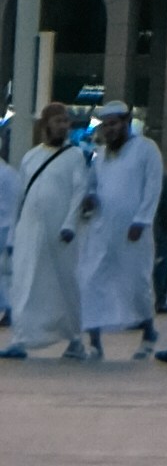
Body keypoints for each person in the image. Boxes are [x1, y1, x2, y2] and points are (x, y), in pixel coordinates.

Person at [78, 97, 167, 359]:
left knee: (136, 284)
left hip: (133, 232)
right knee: (91, 281)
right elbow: (92, 184)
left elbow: (153, 188)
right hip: (102, 229)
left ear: (127, 122)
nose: (110, 129)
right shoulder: (102, 155)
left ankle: (149, 333)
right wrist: (89, 198)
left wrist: (142, 219)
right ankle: (95, 342)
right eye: (106, 125)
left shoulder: (147, 149)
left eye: (114, 124)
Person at [8, 115, 89, 364]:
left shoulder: (74, 156)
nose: (63, 127)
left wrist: (69, 224)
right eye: (58, 122)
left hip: (60, 233)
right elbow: (20, 197)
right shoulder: (31, 157)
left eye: (66, 122)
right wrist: (14, 232)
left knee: (64, 284)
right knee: (24, 282)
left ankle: (75, 339)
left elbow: (79, 191)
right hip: (29, 231)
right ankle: (20, 338)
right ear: (46, 126)